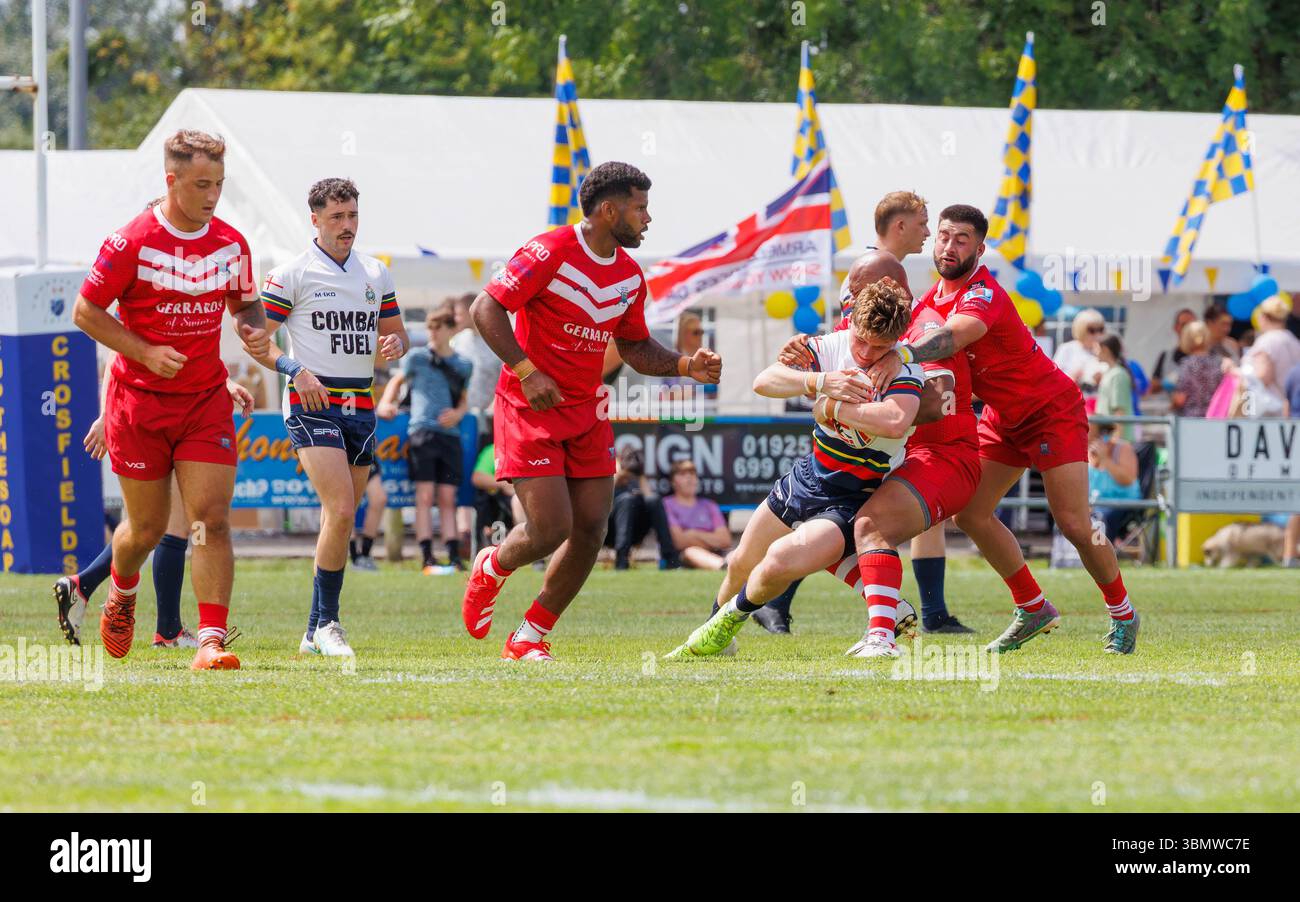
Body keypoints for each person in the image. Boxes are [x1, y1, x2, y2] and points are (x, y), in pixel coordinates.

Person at [460, 161, 722, 662]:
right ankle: (492, 565)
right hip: (529, 405)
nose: (647, 218)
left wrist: (687, 364)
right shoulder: (550, 250)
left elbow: (636, 346)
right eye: (640, 207)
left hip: (587, 412)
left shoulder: (628, 275)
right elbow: (484, 309)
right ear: (608, 210)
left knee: (591, 529)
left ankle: (528, 637)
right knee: (550, 528)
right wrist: (526, 369)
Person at [864, 205, 1140, 655]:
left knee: (1073, 523)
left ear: (980, 248)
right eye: (945, 236)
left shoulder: (983, 292)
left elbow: (952, 338)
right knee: (969, 514)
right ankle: (1033, 606)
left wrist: (903, 354)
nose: (950, 246)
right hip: (1003, 417)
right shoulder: (929, 302)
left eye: (962, 240)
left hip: (1052, 409)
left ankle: (1123, 612)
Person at [69, 129, 269, 670]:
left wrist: (253, 328)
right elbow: (85, 313)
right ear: (172, 180)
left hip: (204, 400)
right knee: (148, 529)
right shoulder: (129, 241)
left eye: (220, 185)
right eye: (202, 184)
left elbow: (247, 306)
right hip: (138, 403)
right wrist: (144, 351)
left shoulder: (232, 244)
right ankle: (122, 590)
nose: (212, 196)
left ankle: (209, 641)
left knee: (210, 518)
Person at [665, 278, 927, 659]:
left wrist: (831, 406)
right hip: (807, 477)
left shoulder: (901, 371)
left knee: (781, 561)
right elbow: (764, 381)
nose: (868, 353)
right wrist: (821, 380)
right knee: (740, 561)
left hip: (853, 497)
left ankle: (725, 626)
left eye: (881, 346)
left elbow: (894, 421)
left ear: (896, 341)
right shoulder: (830, 347)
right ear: (851, 320)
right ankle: (717, 637)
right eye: (862, 340)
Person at [782, 191, 971, 634]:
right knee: (845, 512)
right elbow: (871, 331)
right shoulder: (881, 267)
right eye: (925, 222)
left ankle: (933, 611)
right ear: (900, 225)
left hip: (870, 388)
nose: (929, 232)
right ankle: (780, 594)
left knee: (882, 511)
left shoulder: (886, 265)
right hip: (871, 393)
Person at [251, 177, 409, 656]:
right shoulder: (292, 274)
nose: (347, 226)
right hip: (311, 403)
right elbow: (256, 340)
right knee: (341, 510)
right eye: (337, 217)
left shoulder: (375, 273)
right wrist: (293, 369)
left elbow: (399, 336)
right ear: (314, 220)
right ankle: (330, 625)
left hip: (360, 405)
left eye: (353, 216)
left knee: (337, 519)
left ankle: (311, 630)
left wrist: (395, 344)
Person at [55, 370, 254, 649]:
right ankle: (166, 629)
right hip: (152, 416)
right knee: (155, 525)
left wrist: (223, 382)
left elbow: (193, 353)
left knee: (169, 525)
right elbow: (119, 356)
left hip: (188, 412)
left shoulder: (193, 329)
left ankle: (89, 588)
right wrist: (106, 415)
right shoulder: (135, 330)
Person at [377, 303, 472, 573]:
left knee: (447, 496)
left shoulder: (464, 364)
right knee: (424, 495)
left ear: (450, 329)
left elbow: (464, 399)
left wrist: (458, 413)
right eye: (429, 327)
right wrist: (385, 403)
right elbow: (396, 382)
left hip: (450, 435)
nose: (432, 332)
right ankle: (427, 555)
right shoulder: (416, 357)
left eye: (437, 327)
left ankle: (454, 555)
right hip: (421, 431)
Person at [608, 446, 677, 570]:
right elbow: (602, 503)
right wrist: (618, 475)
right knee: (627, 499)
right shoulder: (611, 476)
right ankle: (622, 560)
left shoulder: (638, 478)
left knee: (654, 499)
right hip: (609, 531)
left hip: (634, 531)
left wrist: (639, 476)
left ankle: (670, 558)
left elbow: (650, 498)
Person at [662, 459, 731, 570]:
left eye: (692, 474)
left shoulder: (710, 505)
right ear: (673, 481)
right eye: (683, 474)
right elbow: (679, 541)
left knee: (736, 552)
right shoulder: (666, 505)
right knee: (692, 551)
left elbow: (725, 540)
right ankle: (724, 566)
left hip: (718, 552)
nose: (689, 478)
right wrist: (711, 540)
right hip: (686, 555)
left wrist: (693, 533)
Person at [1087, 422, 1141, 542]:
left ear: (1103, 434)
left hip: (1123, 504)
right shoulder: (1084, 451)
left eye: (1089, 431)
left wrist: (1105, 459)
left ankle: (1099, 558)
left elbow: (1128, 480)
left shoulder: (1123, 448)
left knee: (1101, 517)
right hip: (1095, 505)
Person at [1171, 321, 1223, 417]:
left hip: (1191, 420)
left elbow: (1180, 399)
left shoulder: (1187, 364)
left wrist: (1172, 402)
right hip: (1215, 417)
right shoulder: (1218, 363)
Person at [1052, 308, 1106, 390]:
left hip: (1097, 399)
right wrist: (1073, 376)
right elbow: (1053, 378)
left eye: (1100, 329)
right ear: (1081, 329)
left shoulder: (1105, 350)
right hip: (1072, 397)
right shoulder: (1066, 348)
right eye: (1092, 330)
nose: (1097, 334)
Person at [1095, 334, 1135, 440]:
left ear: (1105, 350)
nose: (1095, 352)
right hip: (1107, 438)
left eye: (1097, 348)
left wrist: (1115, 439)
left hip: (1117, 441)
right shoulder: (1110, 373)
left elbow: (1119, 411)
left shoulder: (1118, 375)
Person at [1149, 308, 1197, 395]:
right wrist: (1165, 383)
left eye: (1191, 326)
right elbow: (1152, 386)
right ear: (1176, 328)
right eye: (1184, 325)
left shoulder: (1205, 358)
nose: (1188, 330)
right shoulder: (1166, 357)